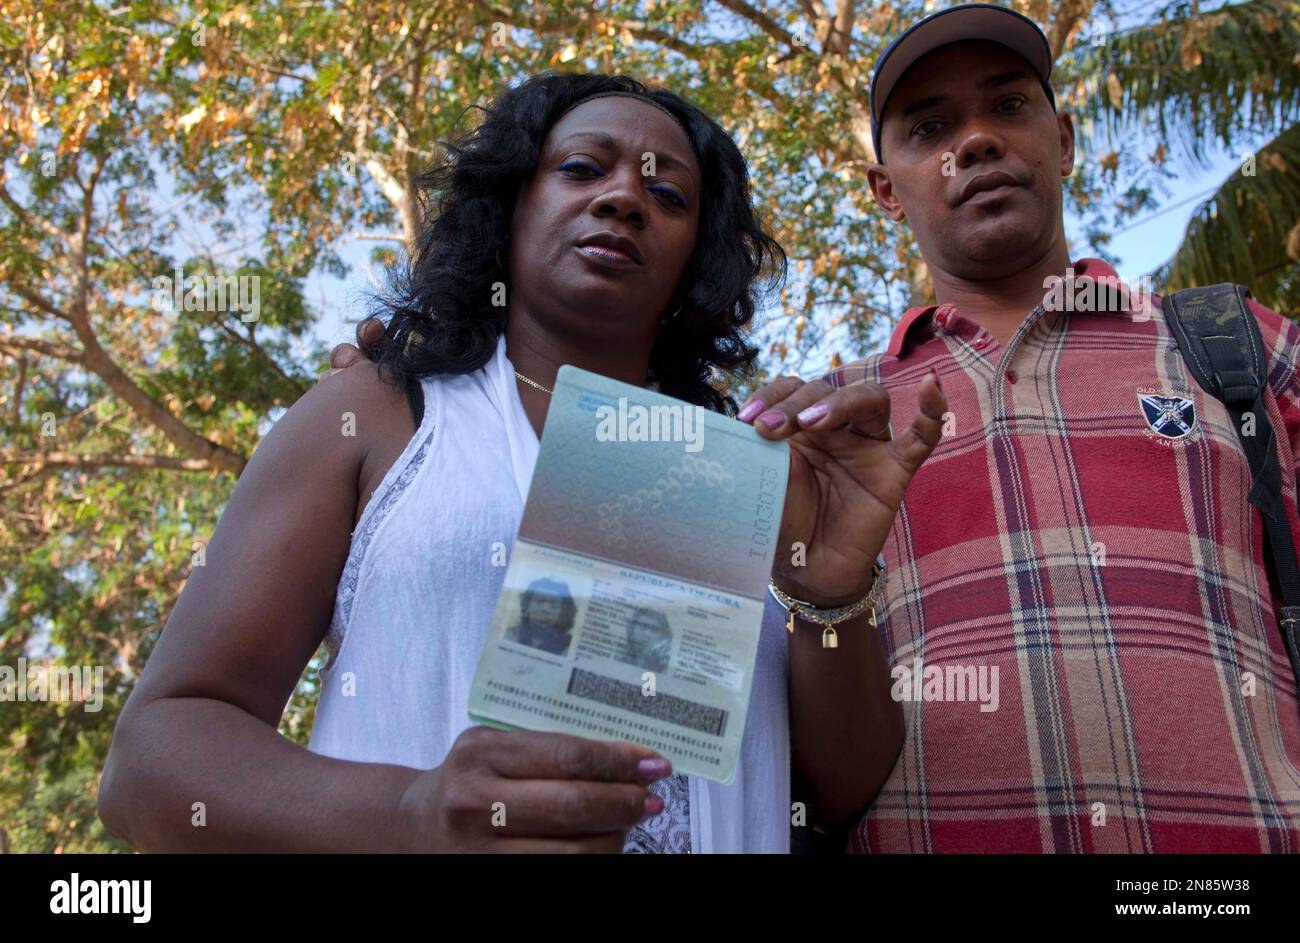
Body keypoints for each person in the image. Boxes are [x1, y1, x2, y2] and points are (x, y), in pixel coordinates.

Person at [97, 72, 948, 853]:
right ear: (509, 204)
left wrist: (829, 589)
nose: (623, 197)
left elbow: (842, 789)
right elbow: (150, 762)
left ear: (700, 251)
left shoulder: (749, 473)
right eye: (582, 169)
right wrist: (410, 813)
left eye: (666, 192)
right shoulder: (380, 413)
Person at [743, 3, 1300, 852]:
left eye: (1007, 107)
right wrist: (824, 594)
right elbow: (813, 779)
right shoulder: (828, 428)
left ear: (1065, 140)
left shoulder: (1245, 347)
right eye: (930, 127)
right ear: (886, 191)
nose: (974, 141)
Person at [505, 579, 577, 655]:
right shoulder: (509, 636)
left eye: (553, 604)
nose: (545, 609)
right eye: (539, 601)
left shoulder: (569, 648)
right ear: (527, 606)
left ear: (562, 613)